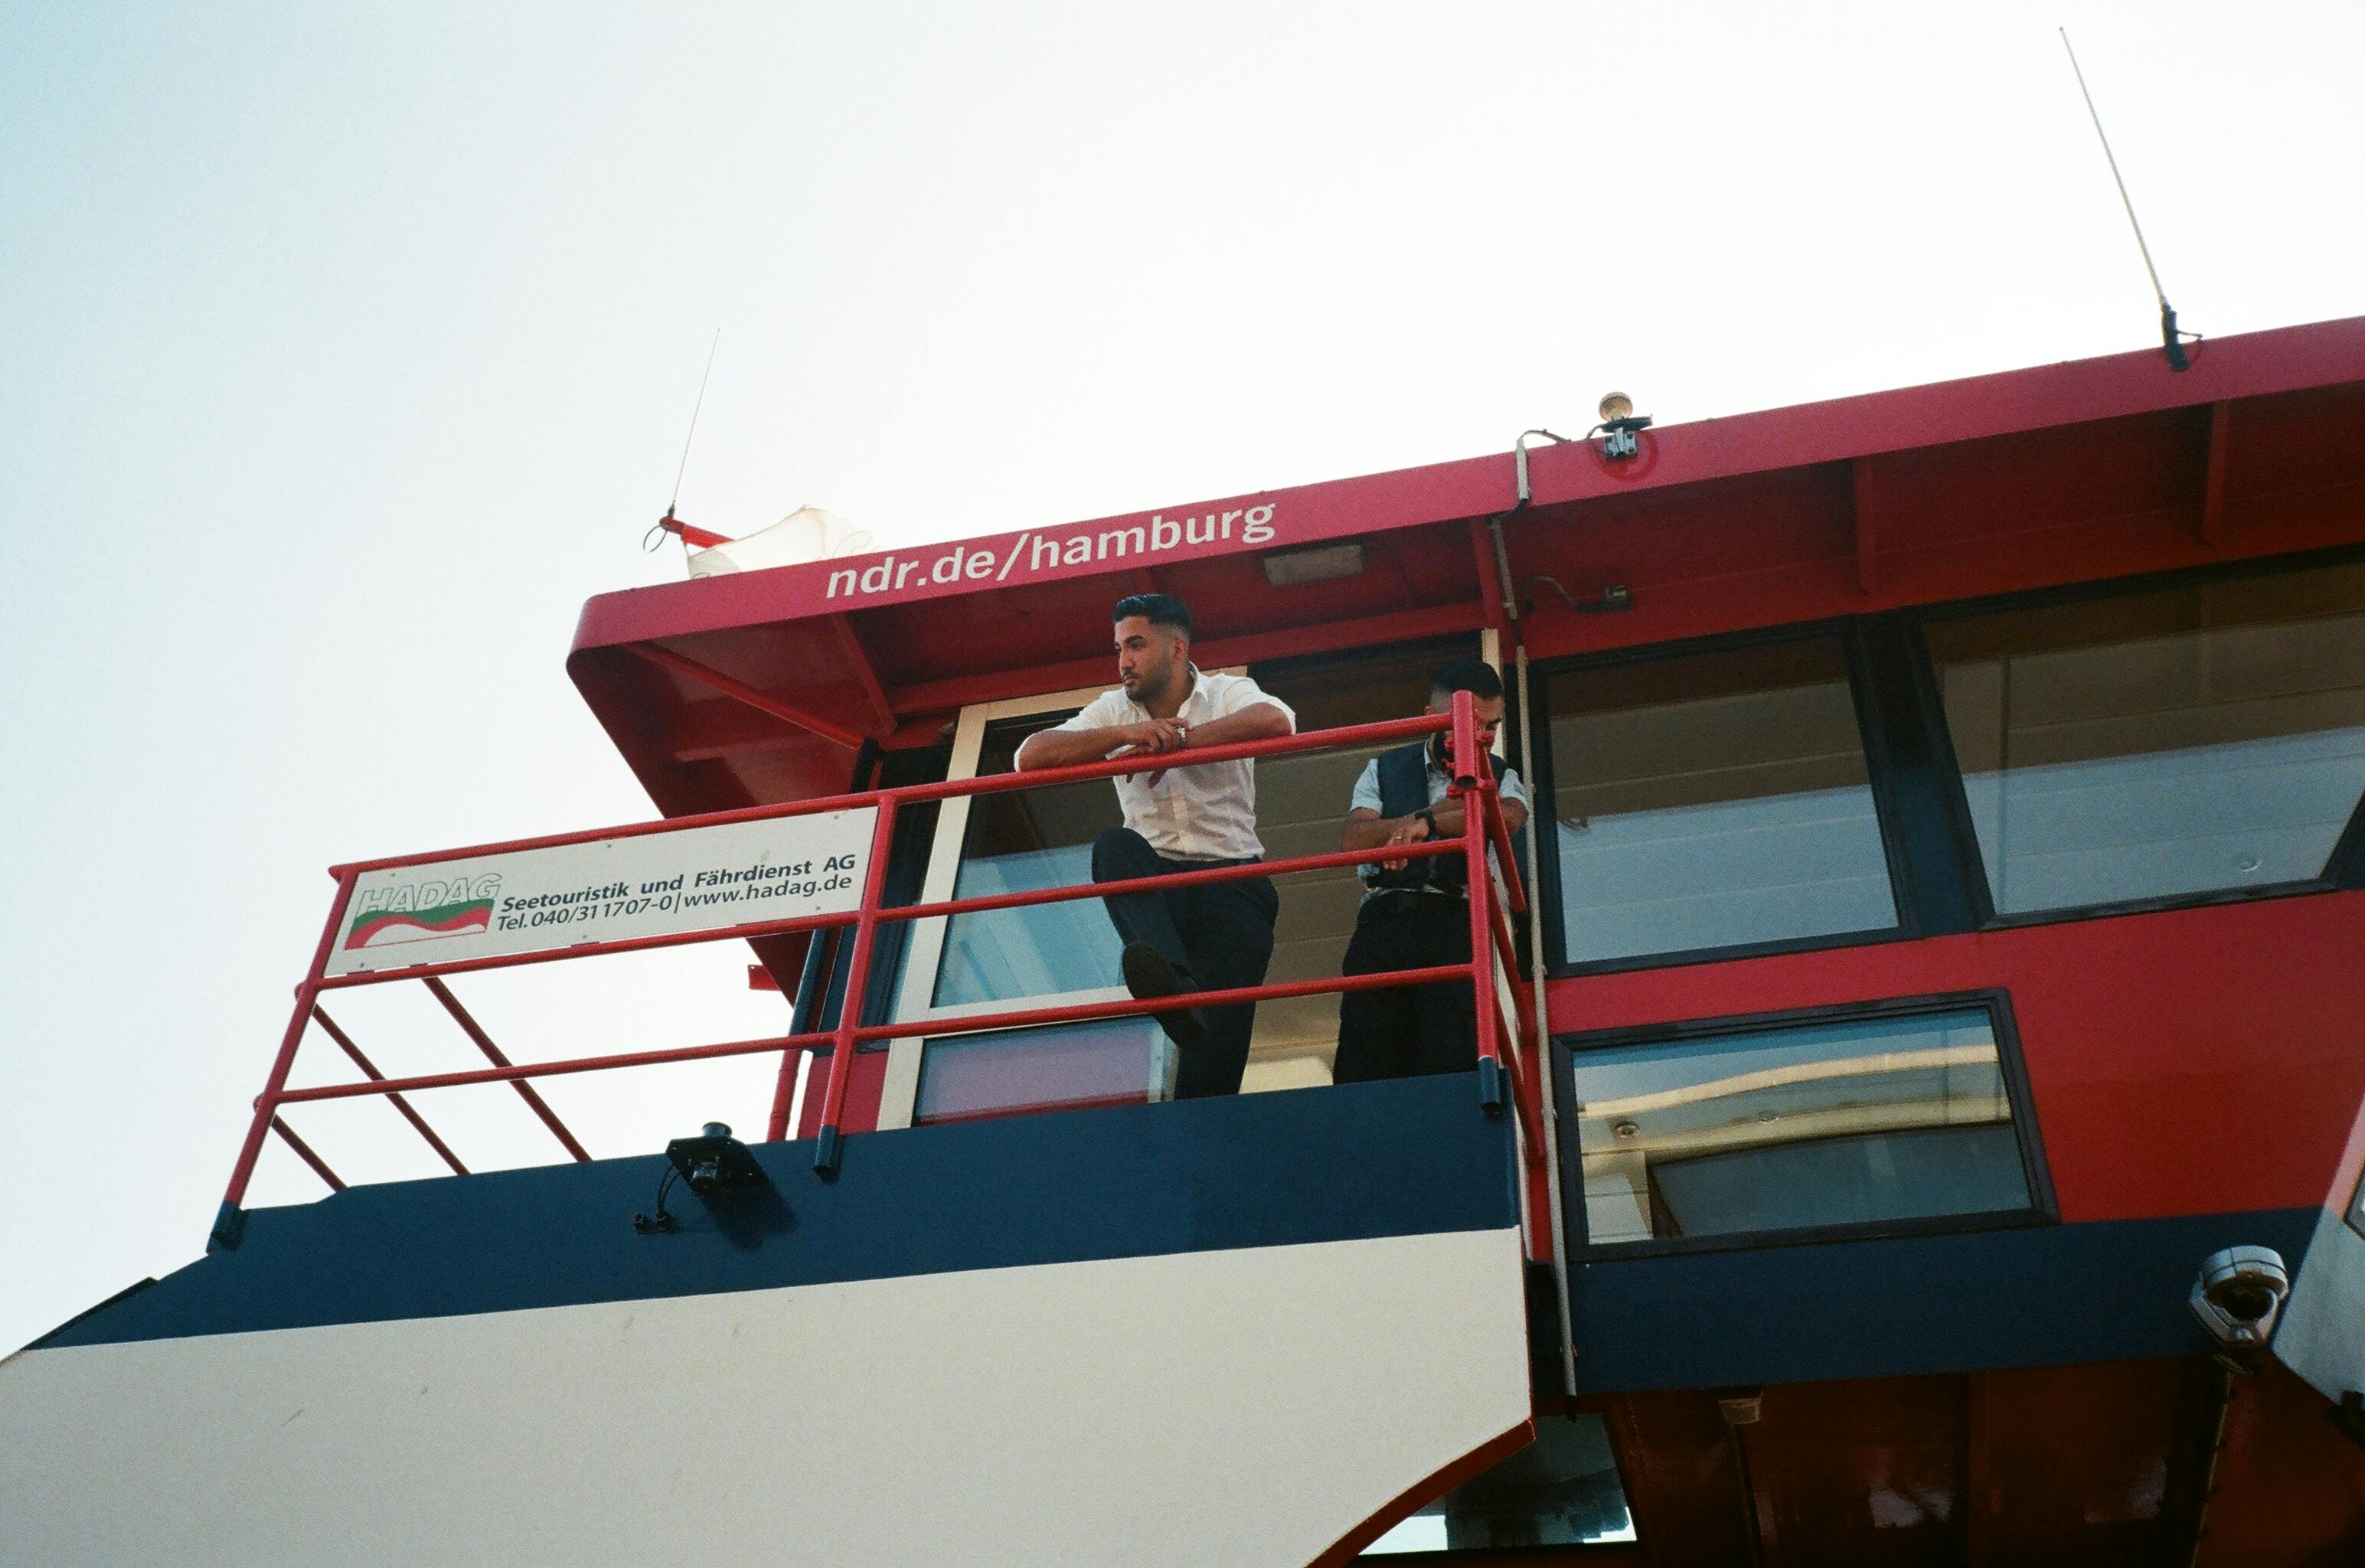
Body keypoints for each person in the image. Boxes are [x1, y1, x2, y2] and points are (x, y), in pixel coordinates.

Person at [1014, 593, 1295, 1098]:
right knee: (1114, 845)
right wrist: (1128, 732)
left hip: (1232, 885)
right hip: (1158, 884)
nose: (1124, 661)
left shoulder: (1229, 689)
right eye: (1119, 647)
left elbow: (1276, 723)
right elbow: (1029, 757)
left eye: (1137, 645)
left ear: (1176, 649)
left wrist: (1179, 744)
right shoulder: (1113, 707)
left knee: (1214, 1062)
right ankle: (1174, 989)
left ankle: (1201, 1141)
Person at [1332, 658, 1530, 1083]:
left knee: (1450, 1062)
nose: (1484, 737)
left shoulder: (1502, 775)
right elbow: (1354, 840)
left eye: (1492, 726)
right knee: (1365, 1061)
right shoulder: (1382, 767)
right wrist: (1441, 815)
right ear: (1432, 718)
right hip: (1382, 925)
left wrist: (1423, 824)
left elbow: (1507, 817)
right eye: (1472, 723)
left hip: (1455, 925)